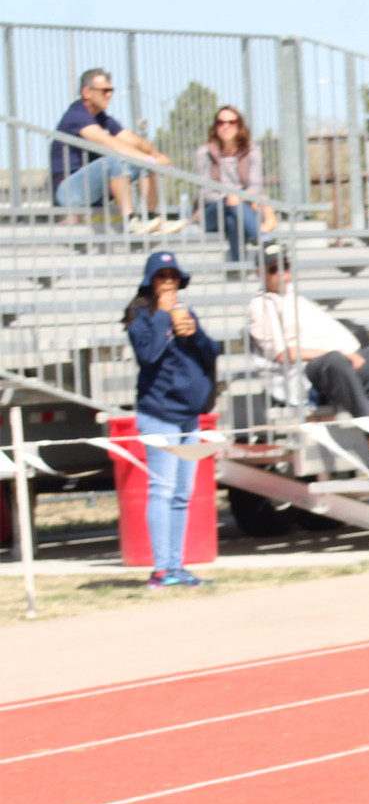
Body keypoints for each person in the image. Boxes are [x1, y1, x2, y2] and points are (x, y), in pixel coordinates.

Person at [246, 245, 369, 468]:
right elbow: (282, 354)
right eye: (273, 269)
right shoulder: (262, 305)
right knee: (335, 361)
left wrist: (348, 353)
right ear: (259, 272)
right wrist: (336, 354)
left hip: (344, 364)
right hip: (310, 373)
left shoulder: (293, 297)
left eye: (285, 266)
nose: (281, 273)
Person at [124, 251, 218, 588]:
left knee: (182, 493)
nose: (168, 282)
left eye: (173, 276)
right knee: (162, 491)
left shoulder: (185, 312)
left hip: (188, 416)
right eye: (161, 276)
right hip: (159, 415)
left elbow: (211, 353)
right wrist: (164, 317)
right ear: (150, 282)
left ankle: (177, 566)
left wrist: (194, 334)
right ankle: (161, 569)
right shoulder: (140, 315)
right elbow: (148, 355)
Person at [51, 68, 181, 234]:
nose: (110, 95)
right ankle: (130, 221)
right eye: (105, 91)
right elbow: (109, 143)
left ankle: (151, 218)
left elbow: (132, 140)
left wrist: (156, 155)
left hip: (92, 190)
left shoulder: (102, 118)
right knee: (117, 160)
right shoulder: (76, 115)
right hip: (68, 191)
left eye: (111, 90)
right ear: (86, 92)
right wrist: (150, 160)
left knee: (145, 165)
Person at [193, 105, 278, 265]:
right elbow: (205, 192)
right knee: (231, 203)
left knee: (233, 221)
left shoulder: (252, 151)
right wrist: (228, 198)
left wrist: (238, 199)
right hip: (211, 212)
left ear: (239, 125)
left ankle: (238, 268)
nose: (226, 126)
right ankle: (265, 240)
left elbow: (255, 186)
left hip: (240, 208)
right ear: (215, 126)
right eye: (221, 122)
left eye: (231, 122)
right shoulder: (204, 152)